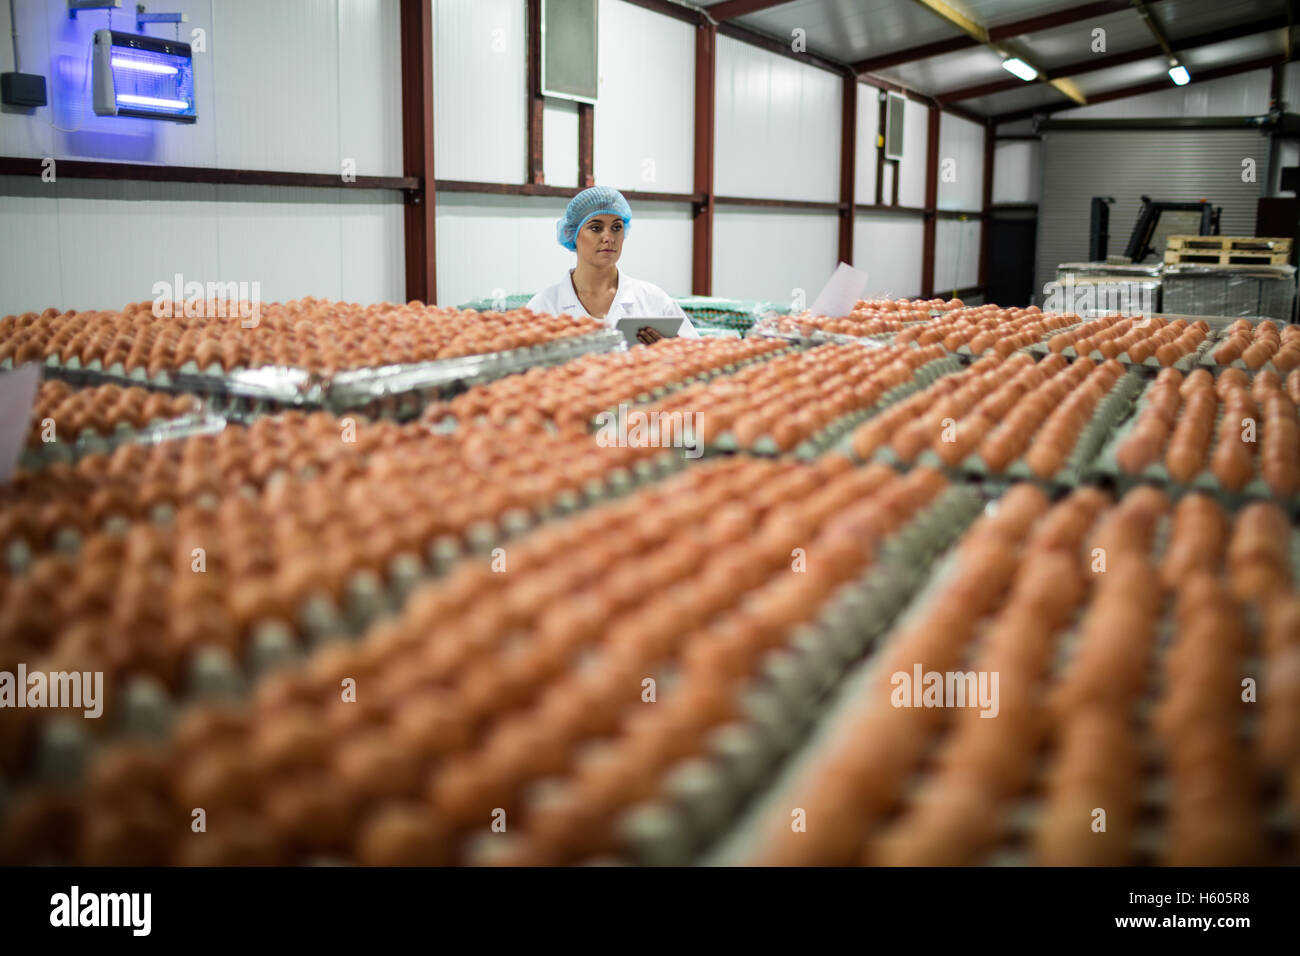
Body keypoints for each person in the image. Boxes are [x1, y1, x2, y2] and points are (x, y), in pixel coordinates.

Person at [526, 186, 698, 343]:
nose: (609, 238)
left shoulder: (654, 300)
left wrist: (671, 351)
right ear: (572, 234)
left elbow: (696, 354)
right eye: (596, 228)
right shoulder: (544, 306)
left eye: (616, 228)